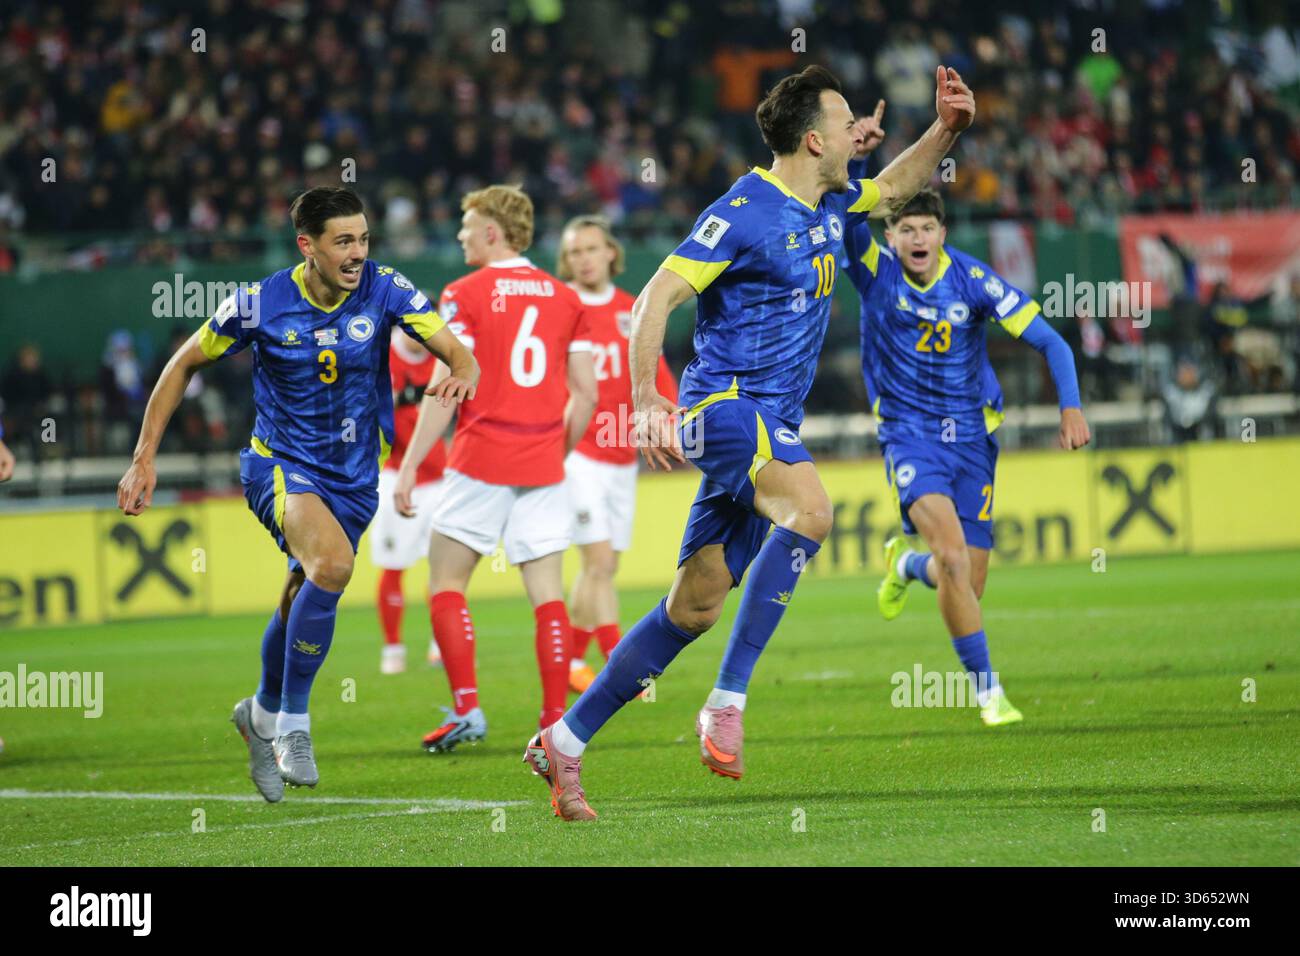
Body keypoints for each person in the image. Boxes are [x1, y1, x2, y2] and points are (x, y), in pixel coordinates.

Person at [524, 64, 976, 821]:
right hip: (724, 406)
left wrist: (948, 129)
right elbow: (658, 295)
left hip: (768, 425)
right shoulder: (745, 210)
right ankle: (726, 703)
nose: (856, 134)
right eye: (842, 124)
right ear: (811, 138)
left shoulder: (829, 206)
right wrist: (646, 400)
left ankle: (564, 742)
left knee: (694, 606)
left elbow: (893, 190)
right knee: (813, 512)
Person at [117, 187, 478, 802]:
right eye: (343, 241)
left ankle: (257, 715)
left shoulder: (386, 288)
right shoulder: (260, 303)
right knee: (333, 566)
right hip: (279, 465)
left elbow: (456, 353)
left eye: (363, 239)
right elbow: (182, 364)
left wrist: (464, 373)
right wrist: (143, 457)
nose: (358, 253)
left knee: (299, 592)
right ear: (306, 246)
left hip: (357, 475)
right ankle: (293, 726)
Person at [849, 184, 1091, 727]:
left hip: (974, 443)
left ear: (942, 235)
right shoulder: (875, 273)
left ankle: (906, 564)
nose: (917, 237)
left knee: (968, 584)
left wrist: (1070, 408)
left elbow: (1053, 342)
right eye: (905, 229)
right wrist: (860, 163)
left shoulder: (973, 280)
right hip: (910, 438)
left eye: (926, 228)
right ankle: (989, 694)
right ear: (890, 236)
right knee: (955, 562)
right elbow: (846, 218)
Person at [394, 185, 598, 752]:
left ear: (491, 232)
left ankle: (468, 711)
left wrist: (410, 467)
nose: (459, 235)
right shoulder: (565, 298)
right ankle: (557, 723)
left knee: (446, 582)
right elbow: (586, 395)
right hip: (541, 464)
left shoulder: (463, 293)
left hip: (481, 458)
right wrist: (555, 454)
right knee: (548, 597)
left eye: (467, 226)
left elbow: (444, 386)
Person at [554, 214, 678, 693]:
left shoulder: (635, 310)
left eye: (591, 248)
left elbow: (656, 378)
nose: (582, 258)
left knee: (601, 567)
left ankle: (568, 662)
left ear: (610, 252)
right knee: (601, 562)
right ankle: (621, 667)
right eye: (574, 251)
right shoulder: (560, 308)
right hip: (576, 452)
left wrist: (669, 424)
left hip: (620, 453)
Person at [372, 325, 449, 675]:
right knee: (394, 563)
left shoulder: (441, 357)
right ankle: (393, 647)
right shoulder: (381, 357)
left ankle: (440, 644)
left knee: (445, 565)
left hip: (439, 476)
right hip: (394, 474)